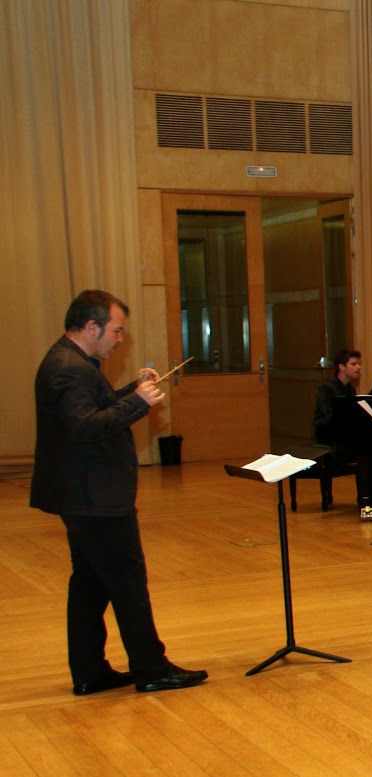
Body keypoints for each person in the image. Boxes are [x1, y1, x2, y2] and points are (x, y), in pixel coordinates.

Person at [32, 290, 208, 695]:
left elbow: (94, 408)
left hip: (85, 493)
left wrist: (132, 390)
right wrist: (137, 404)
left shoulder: (70, 361)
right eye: (115, 331)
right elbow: (83, 427)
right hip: (94, 496)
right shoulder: (71, 369)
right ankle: (151, 667)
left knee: (91, 585)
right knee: (127, 581)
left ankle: (90, 671)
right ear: (91, 328)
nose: (119, 339)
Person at [311, 348, 372, 510]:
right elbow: (328, 419)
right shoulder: (326, 389)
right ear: (341, 367)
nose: (358, 367)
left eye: (358, 364)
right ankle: (366, 498)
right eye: (353, 364)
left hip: (344, 436)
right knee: (365, 450)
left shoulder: (350, 390)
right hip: (328, 441)